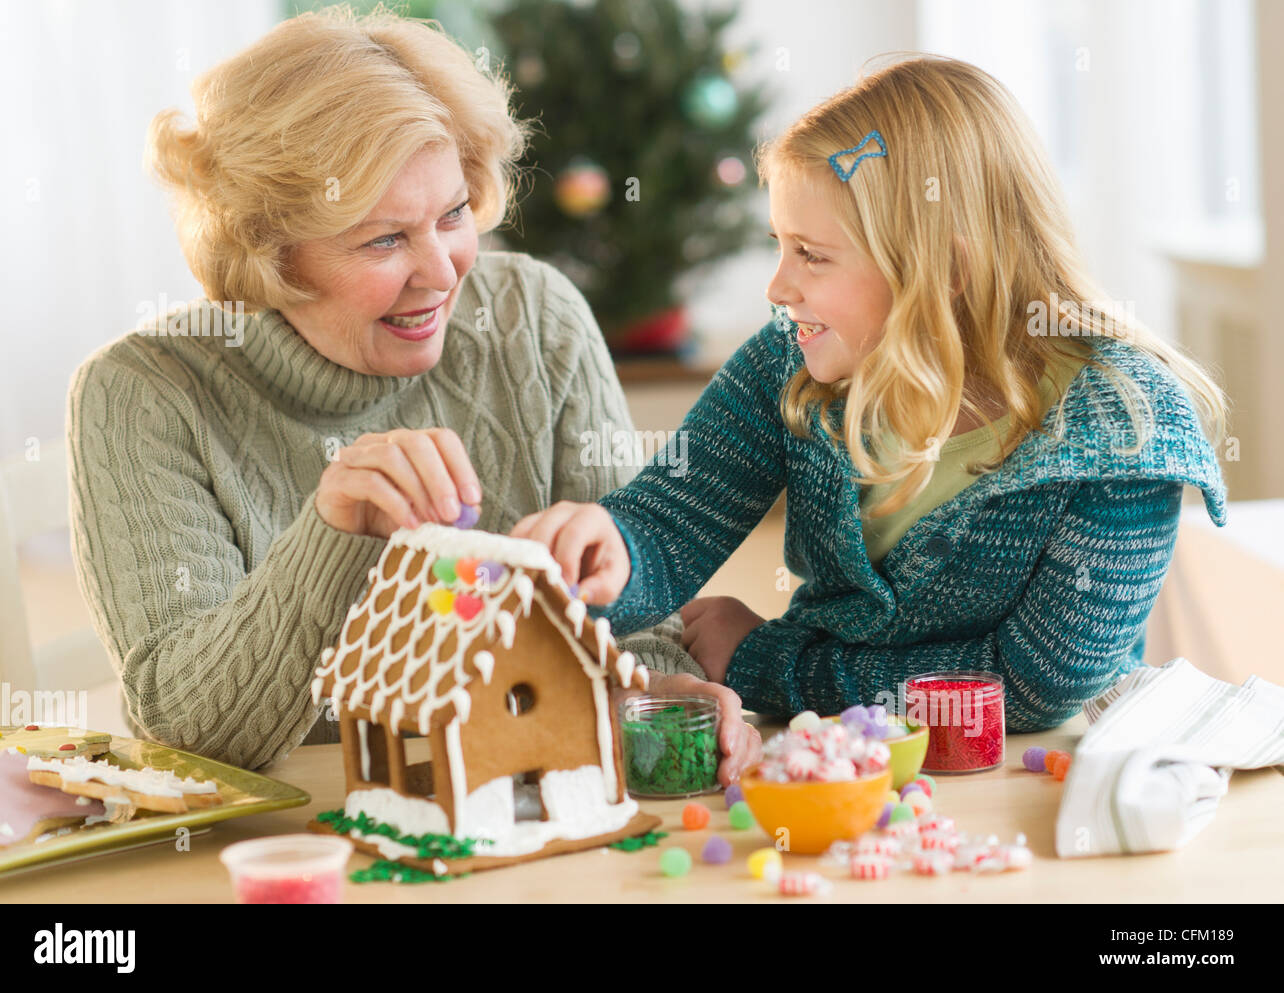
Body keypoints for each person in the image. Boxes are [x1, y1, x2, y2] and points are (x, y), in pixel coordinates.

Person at [67, 5, 761, 777]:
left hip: (514, 827)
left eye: (454, 213)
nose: (442, 272)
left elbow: (629, 624)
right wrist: (332, 534)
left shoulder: (538, 319)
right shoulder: (141, 394)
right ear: (270, 252)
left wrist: (652, 686)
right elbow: (187, 734)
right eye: (385, 238)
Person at [512, 54, 1230, 731]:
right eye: (780, 244)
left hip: (1038, 786)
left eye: (812, 256)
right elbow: (669, 527)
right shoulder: (790, 363)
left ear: (944, 268)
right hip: (850, 771)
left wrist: (769, 664)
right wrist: (616, 551)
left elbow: (1035, 687)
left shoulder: (1125, 426)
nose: (778, 287)